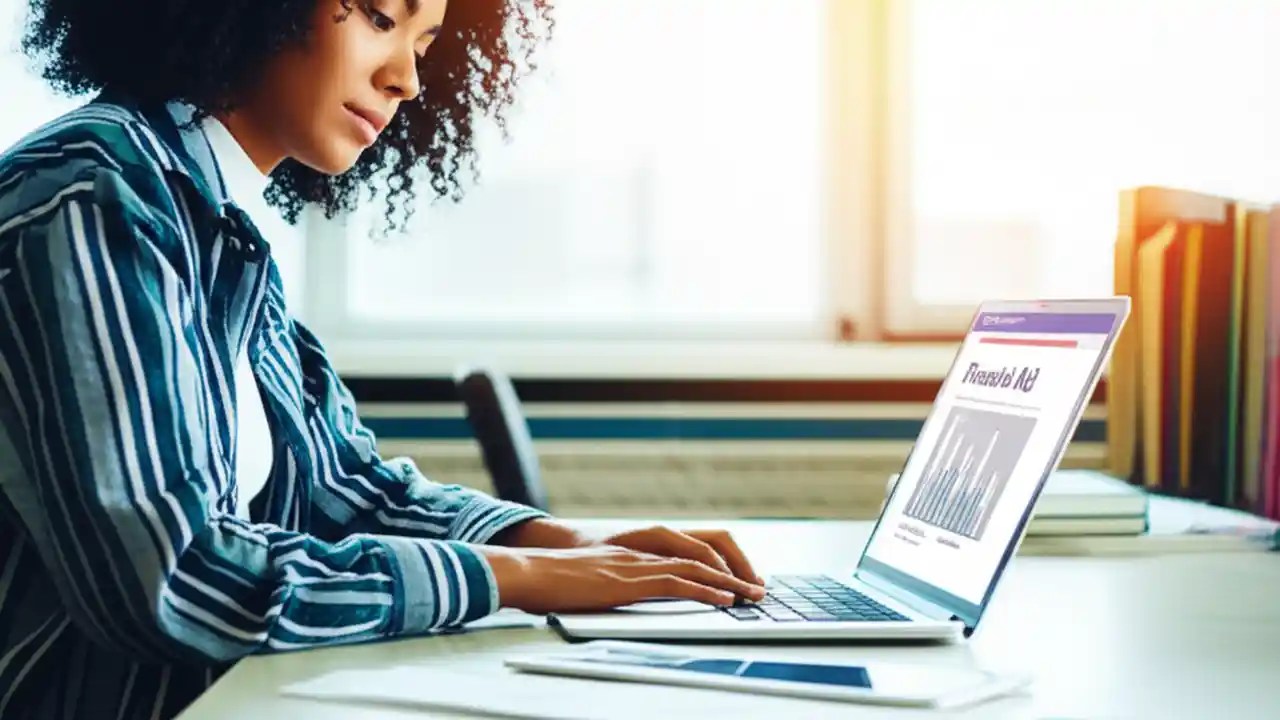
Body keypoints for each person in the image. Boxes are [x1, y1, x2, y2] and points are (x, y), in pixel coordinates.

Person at [0, 1, 767, 717]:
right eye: (377, 17)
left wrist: (567, 542)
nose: (406, 77)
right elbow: (177, 581)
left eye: (425, 43)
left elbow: (342, 491)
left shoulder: (207, 217)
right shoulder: (95, 198)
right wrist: (520, 580)